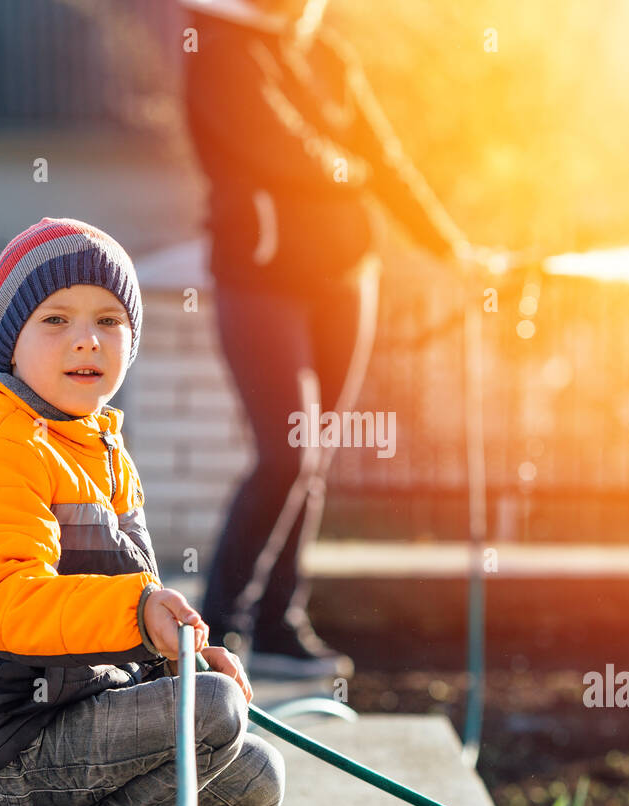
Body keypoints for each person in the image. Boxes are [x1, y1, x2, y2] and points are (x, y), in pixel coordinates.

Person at [0, 217, 285, 806]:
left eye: (109, 320)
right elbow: (7, 603)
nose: (87, 340)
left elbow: (114, 614)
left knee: (258, 777)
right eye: (55, 319)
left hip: (72, 715)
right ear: (9, 343)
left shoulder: (103, 452)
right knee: (213, 712)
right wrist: (138, 611)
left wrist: (177, 654)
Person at [181, 0, 491, 679]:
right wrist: (350, 170)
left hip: (347, 281)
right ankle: (219, 628)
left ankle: (279, 627)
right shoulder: (216, 47)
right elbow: (280, 148)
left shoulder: (326, 54)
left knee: (313, 458)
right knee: (287, 451)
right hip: (261, 281)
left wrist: (452, 249)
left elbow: (385, 156)